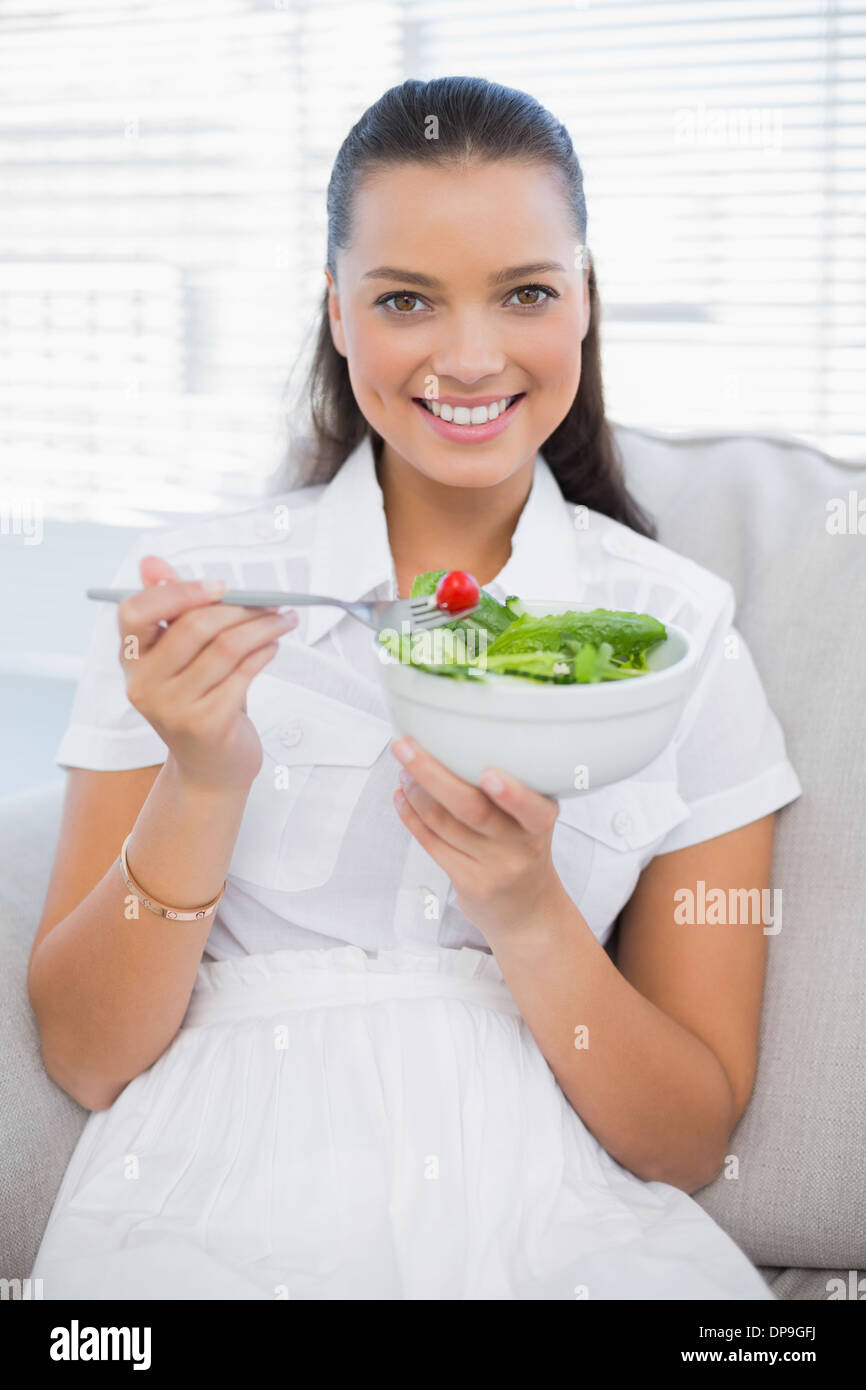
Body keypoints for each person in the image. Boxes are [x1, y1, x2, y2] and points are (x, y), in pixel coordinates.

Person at [28, 76, 801, 1300]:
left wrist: (528, 910)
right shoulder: (192, 593)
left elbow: (688, 1138)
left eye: (526, 293)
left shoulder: (679, 637)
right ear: (336, 315)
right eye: (404, 300)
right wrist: (200, 778)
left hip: (557, 1221)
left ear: (584, 302)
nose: (471, 356)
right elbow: (84, 1056)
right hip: (210, 1198)